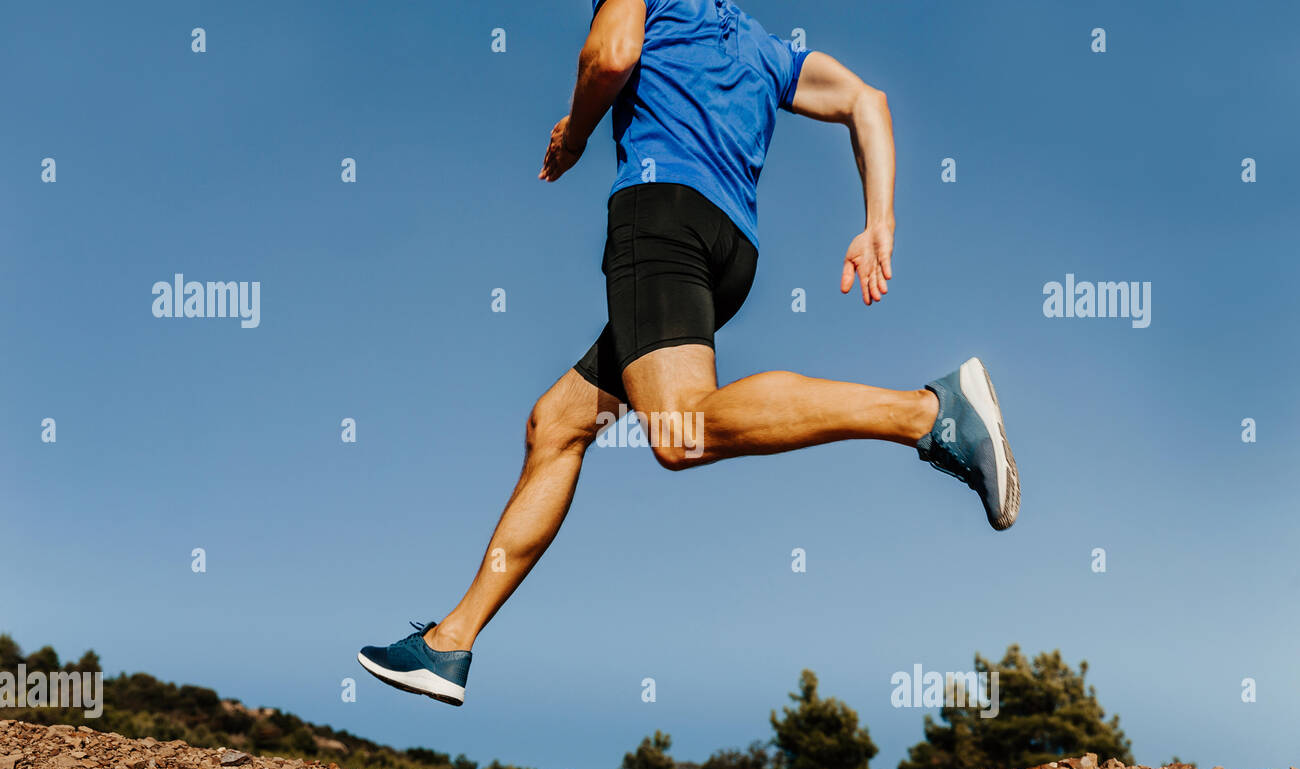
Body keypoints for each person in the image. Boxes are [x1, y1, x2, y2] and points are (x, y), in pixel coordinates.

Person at [358, 0, 1019, 706]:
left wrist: (577, 133)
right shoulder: (763, 47)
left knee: (679, 431)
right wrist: (877, 221)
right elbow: (868, 101)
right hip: (730, 252)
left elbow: (610, 55)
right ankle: (449, 642)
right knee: (556, 424)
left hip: (659, 217)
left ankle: (926, 412)